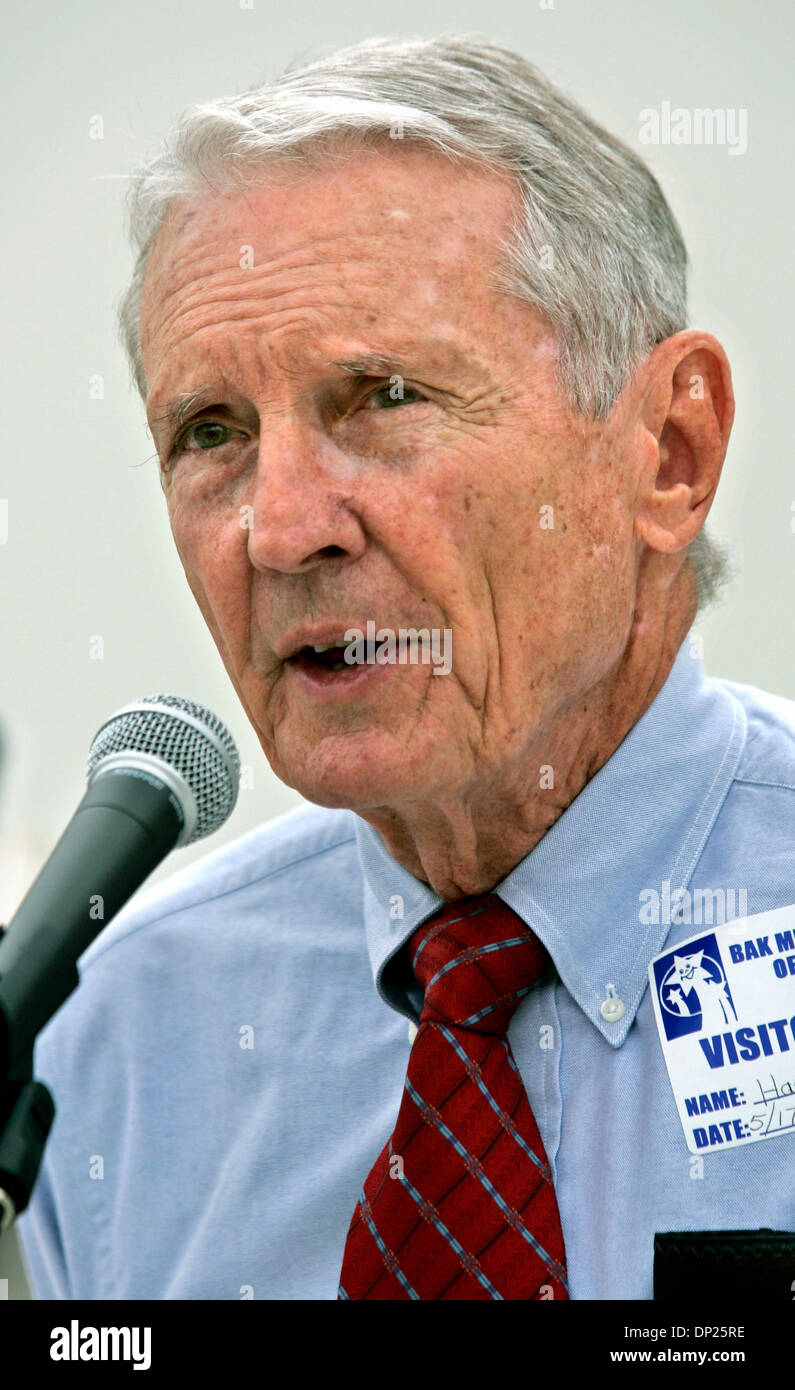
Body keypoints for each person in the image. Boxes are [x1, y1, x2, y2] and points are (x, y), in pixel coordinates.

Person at [15, 33, 795, 1301]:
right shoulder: (114, 1036)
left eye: (382, 397)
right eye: (211, 431)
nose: (280, 527)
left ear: (668, 450)